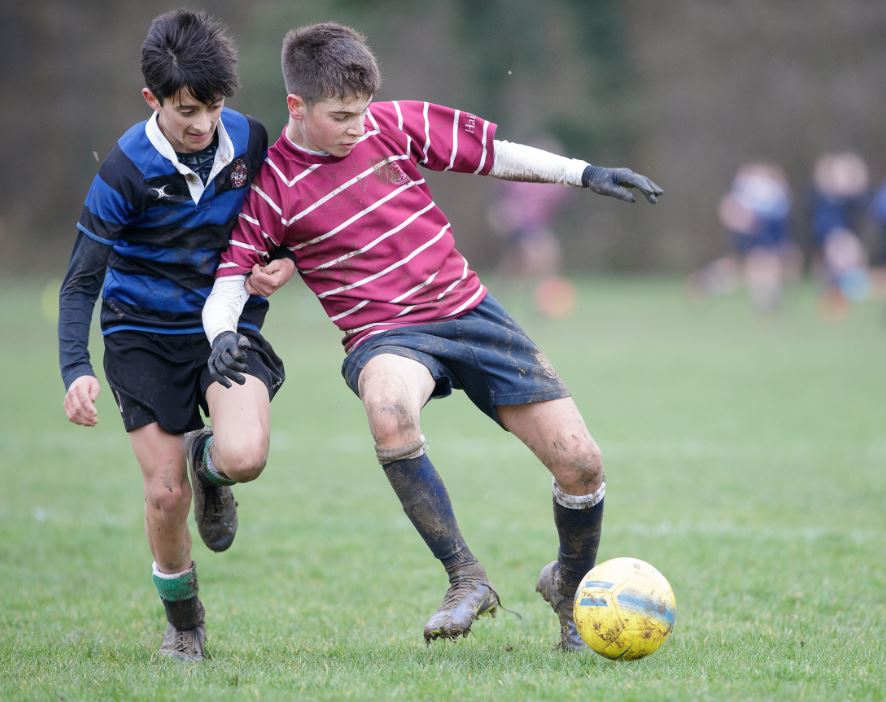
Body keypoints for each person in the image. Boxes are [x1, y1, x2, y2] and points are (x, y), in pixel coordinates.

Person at [202, 22, 661, 651]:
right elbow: (229, 279)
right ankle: (464, 578)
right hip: (383, 333)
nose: (358, 128)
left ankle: (570, 593)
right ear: (296, 107)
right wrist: (221, 333)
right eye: (341, 117)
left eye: (362, 112)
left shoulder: (392, 123)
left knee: (582, 464)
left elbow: (494, 154)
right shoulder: (273, 186)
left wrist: (584, 173)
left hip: (469, 309)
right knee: (389, 409)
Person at [58, 9, 291, 662]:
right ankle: (184, 625)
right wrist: (75, 367)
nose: (202, 124)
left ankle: (208, 467)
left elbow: (281, 225)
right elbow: (80, 282)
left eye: (213, 106)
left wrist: (281, 263)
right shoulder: (126, 171)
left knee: (242, 456)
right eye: (186, 109)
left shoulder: (250, 141)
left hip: (225, 325)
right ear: (152, 99)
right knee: (164, 496)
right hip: (142, 334)